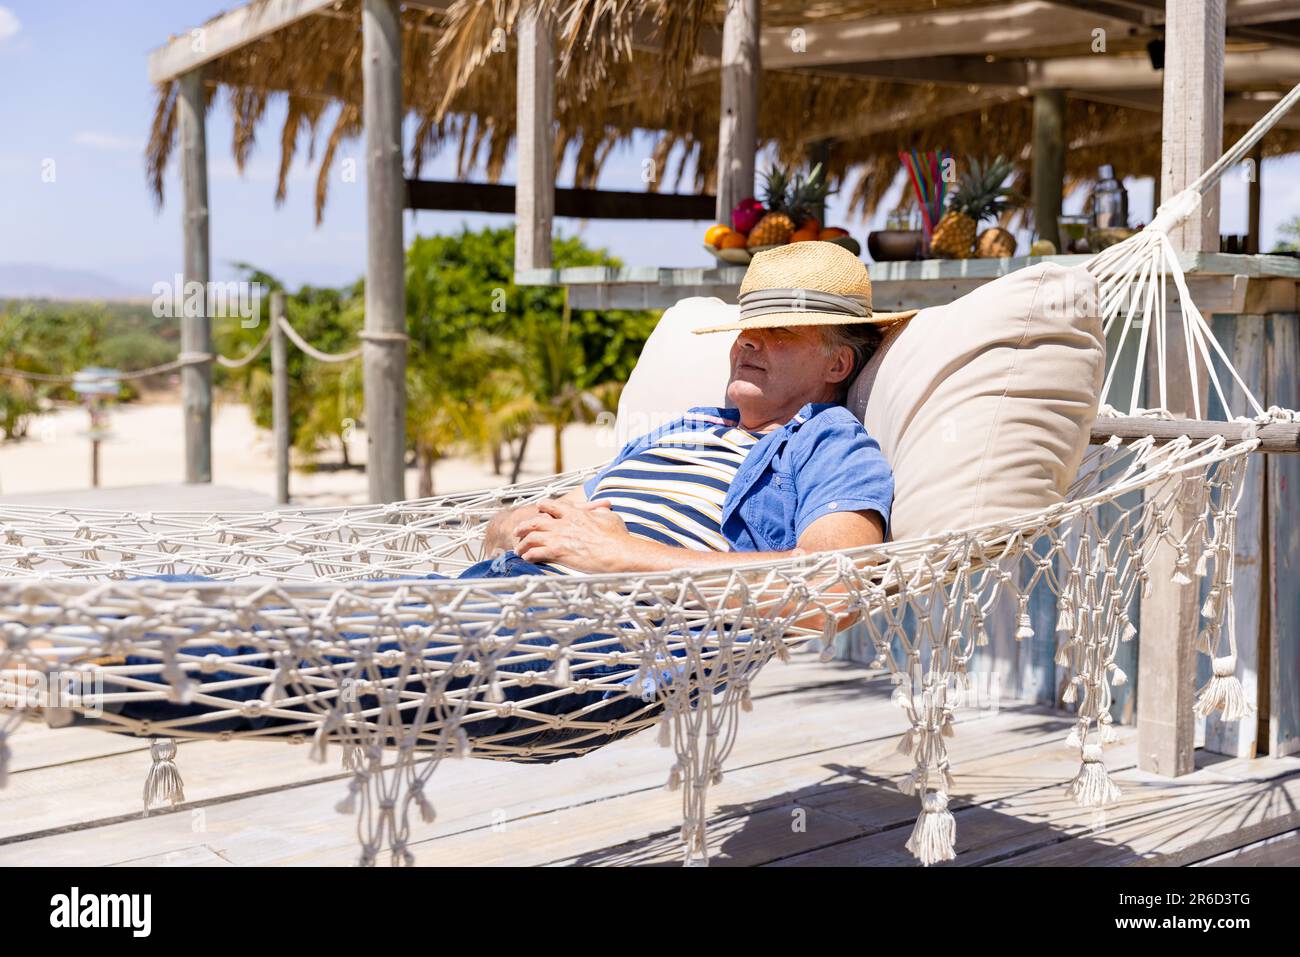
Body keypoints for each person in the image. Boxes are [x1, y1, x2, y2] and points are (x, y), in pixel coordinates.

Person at [81, 242, 913, 761]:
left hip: (603, 641)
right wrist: (510, 521)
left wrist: (625, 557)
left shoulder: (828, 446)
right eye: (746, 325)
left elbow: (832, 588)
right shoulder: (681, 426)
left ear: (837, 365)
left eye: (781, 330)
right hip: (494, 592)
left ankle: (80, 665)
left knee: (335, 661)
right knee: (285, 609)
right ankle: (84, 634)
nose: (749, 341)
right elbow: (559, 518)